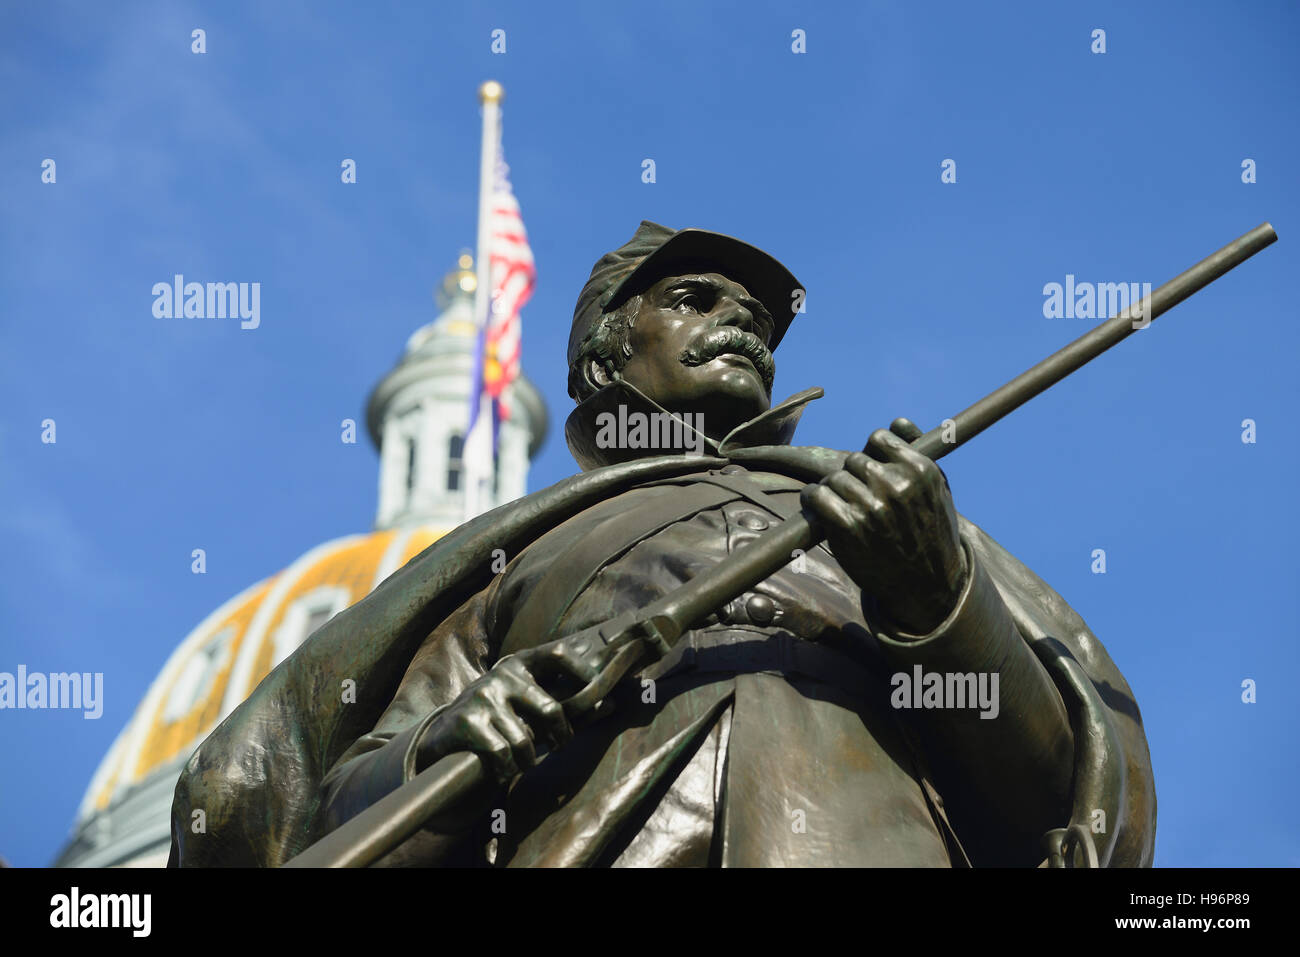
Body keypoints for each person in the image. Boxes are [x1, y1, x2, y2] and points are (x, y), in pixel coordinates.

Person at [170, 221, 1155, 867]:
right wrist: (449, 739)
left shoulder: (887, 512)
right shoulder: (522, 554)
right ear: (604, 349)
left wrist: (938, 606)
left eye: (757, 316)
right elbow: (339, 808)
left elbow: (1065, 808)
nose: (741, 321)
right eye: (694, 298)